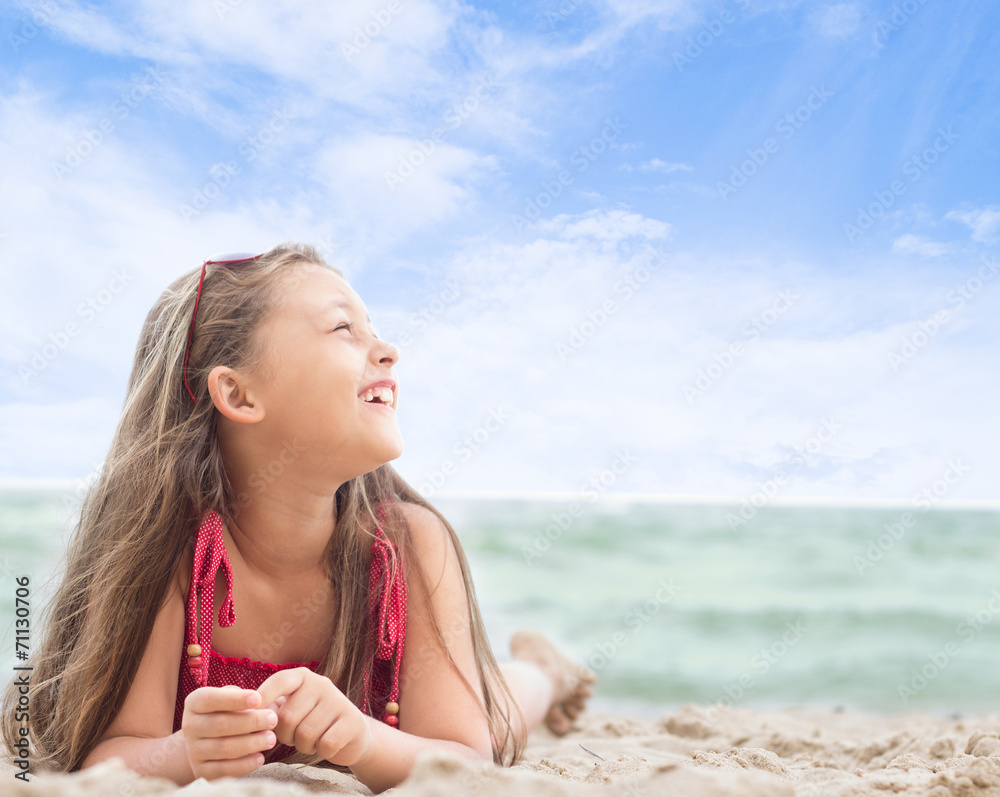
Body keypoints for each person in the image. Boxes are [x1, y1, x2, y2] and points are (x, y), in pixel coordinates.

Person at [0, 243, 595, 792]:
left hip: (399, 726)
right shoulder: (172, 549)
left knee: (500, 715)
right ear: (238, 396)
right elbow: (108, 758)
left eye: (376, 330)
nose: (387, 349)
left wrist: (363, 738)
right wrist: (183, 753)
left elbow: (468, 758)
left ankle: (544, 672)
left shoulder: (411, 542)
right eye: (343, 328)